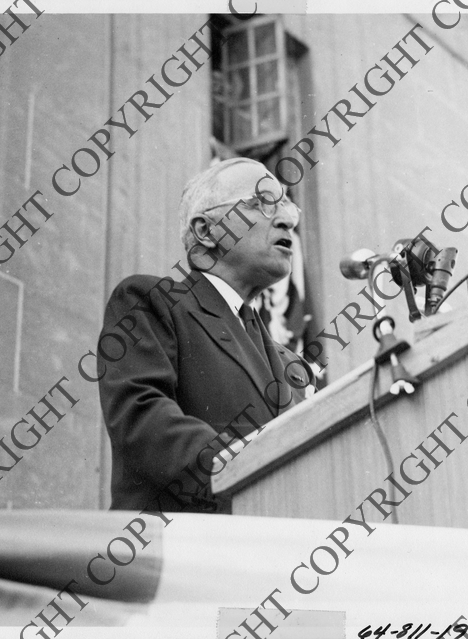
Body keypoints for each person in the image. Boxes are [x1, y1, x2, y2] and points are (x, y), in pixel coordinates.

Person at [97, 158, 314, 513]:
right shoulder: (152, 303)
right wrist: (246, 471)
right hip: (178, 550)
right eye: (261, 202)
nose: (288, 218)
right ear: (205, 230)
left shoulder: (293, 366)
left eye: (287, 205)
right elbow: (142, 417)